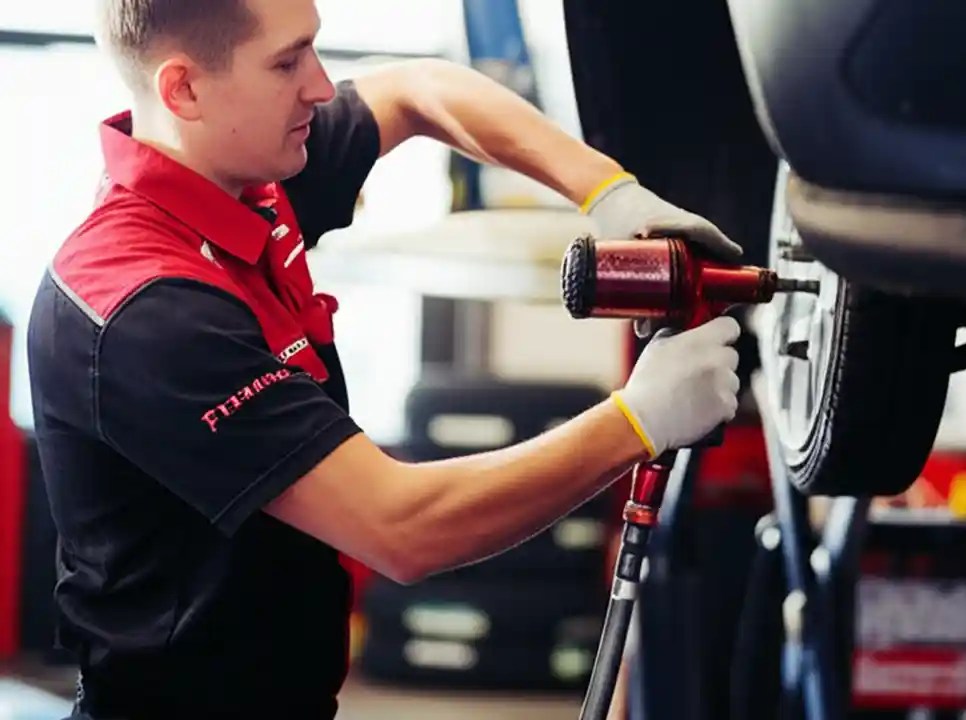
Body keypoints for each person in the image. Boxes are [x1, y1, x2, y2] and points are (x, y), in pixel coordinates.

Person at [26, 0, 745, 717]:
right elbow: (402, 528)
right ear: (182, 89)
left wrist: (612, 194)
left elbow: (421, 89)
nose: (318, 85)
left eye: (312, 48)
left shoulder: (241, 173)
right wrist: (639, 419)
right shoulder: (147, 310)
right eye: (286, 61)